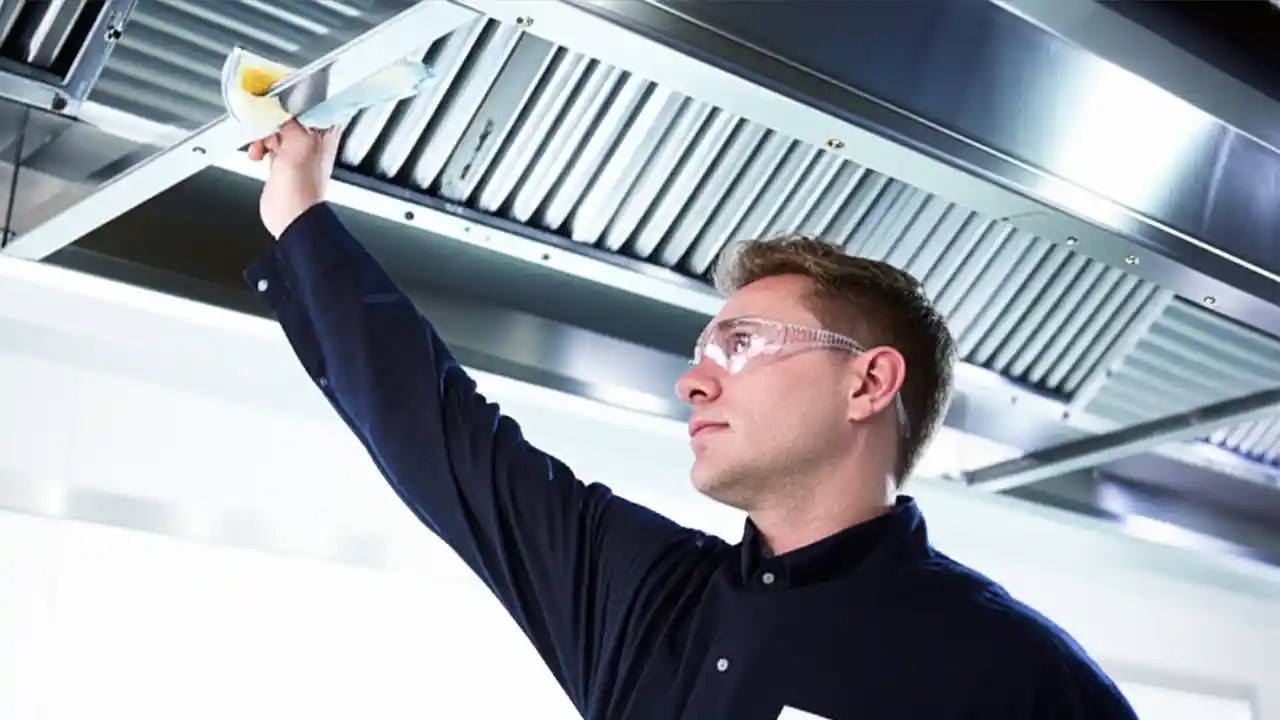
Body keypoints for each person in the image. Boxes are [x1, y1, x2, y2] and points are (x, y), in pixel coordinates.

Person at [245, 120, 1139, 719]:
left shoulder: (1017, 676)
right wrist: (299, 207)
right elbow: (440, 439)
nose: (693, 384)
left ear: (868, 384)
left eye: (742, 344)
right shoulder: (644, 597)